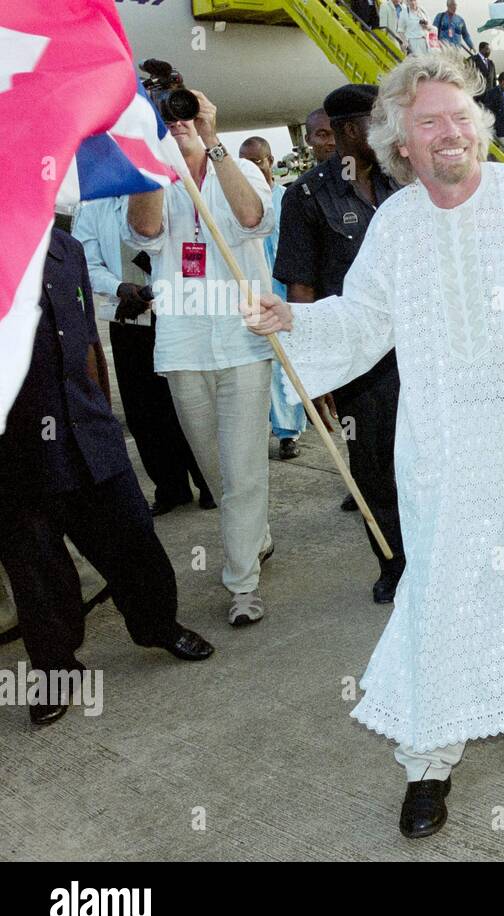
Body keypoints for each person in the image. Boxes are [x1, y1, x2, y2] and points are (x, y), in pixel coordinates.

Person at [243, 50, 504, 839]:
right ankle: (429, 757)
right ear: (402, 143)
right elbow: (363, 325)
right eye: (428, 122)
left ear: (481, 126)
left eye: (461, 117)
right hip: (445, 453)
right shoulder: (395, 225)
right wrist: (295, 322)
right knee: (439, 594)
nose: (449, 132)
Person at [0, 228, 215, 726]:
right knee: (37, 568)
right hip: (15, 446)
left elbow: (89, 339)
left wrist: (102, 409)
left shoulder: (66, 250)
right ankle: (56, 669)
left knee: (132, 536)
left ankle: (158, 625)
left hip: (86, 426)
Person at [124, 89, 277, 628]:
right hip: (184, 343)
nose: (180, 123)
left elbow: (255, 218)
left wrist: (211, 142)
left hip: (243, 337)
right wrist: (153, 157)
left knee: (241, 466)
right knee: (217, 471)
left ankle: (241, 583)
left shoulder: (236, 166)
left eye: (188, 114)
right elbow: (144, 231)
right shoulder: (154, 172)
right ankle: (255, 538)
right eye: (172, 117)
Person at [274, 84, 407, 605]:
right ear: (354, 130)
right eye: (381, 122)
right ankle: (394, 565)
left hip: (421, 348)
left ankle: (435, 556)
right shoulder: (306, 196)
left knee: (427, 460)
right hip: (359, 362)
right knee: (373, 465)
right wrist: (314, 373)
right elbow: (301, 290)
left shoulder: (408, 183)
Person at [73, 197, 213, 514]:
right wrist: (120, 286)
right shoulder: (93, 208)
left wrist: (184, 289)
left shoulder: (170, 192)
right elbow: (87, 263)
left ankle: (209, 482)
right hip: (129, 317)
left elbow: (195, 244)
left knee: (187, 399)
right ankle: (170, 487)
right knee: (143, 409)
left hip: (179, 312)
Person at [240, 136, 305, 461]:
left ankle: (288, 433)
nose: (252, 168)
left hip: (283, 297)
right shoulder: (237, 203)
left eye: (258, 161)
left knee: (285, 367)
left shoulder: (286, 200)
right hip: (251, 300)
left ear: (270, 161)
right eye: (245, 163)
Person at [483, 71, 504, 153]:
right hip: (499, 128)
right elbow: (489, 111)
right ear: (499, 82)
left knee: (503, 151)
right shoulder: (492, 93)